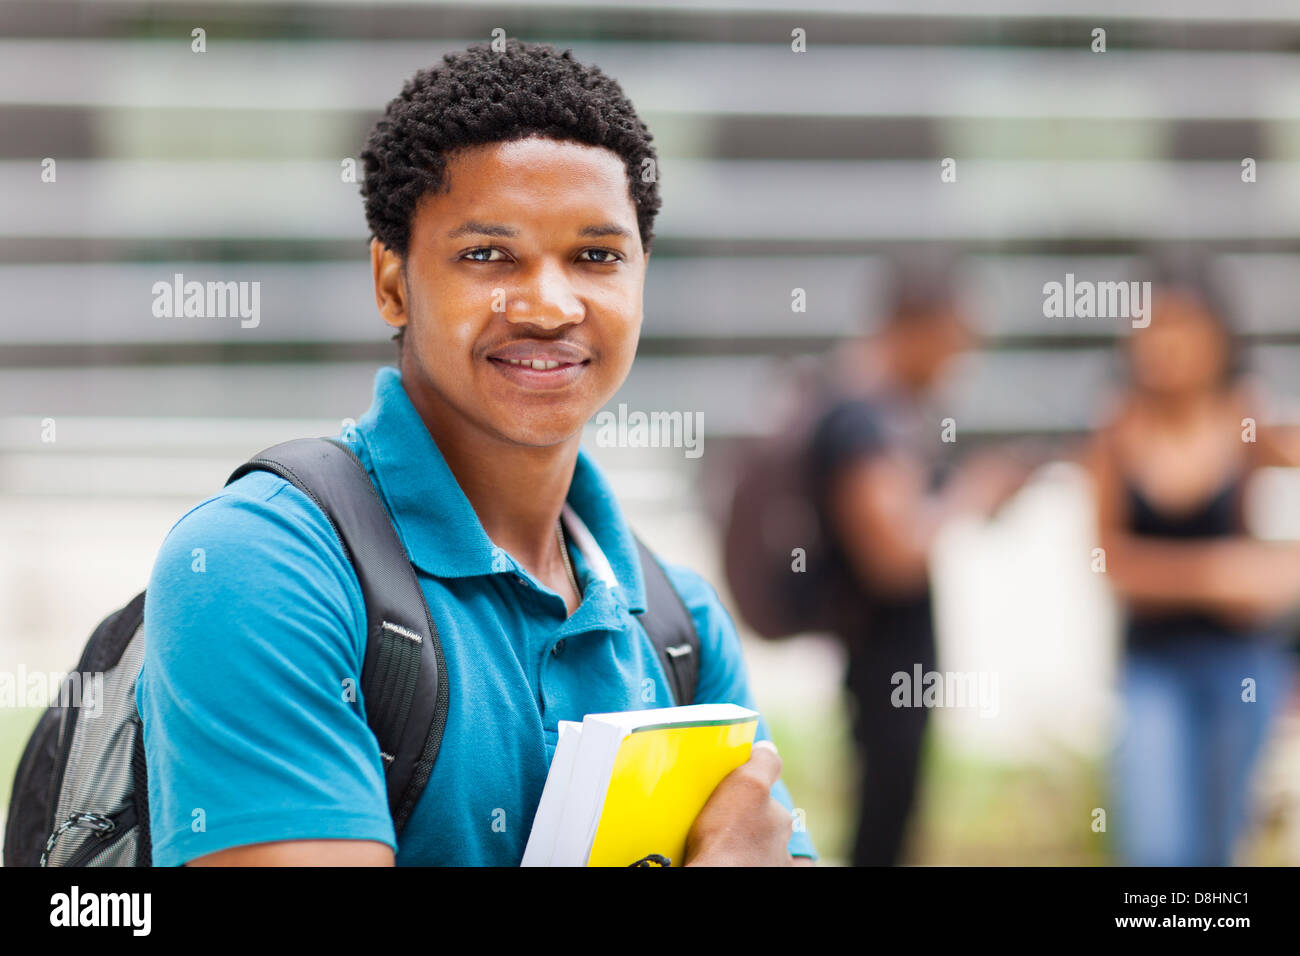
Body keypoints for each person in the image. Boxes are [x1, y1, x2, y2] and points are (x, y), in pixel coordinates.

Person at [135, 39, 816, 866]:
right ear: (391, 281)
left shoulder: (682, 626)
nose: (550, 304)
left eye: (596, 256)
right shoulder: (263, 565)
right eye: (487, 254)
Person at [807, 253, 1029, 865]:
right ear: (918, 328)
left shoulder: (890, 410)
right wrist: (972, 492)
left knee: (894, 814)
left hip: (893, 656)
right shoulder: (862, 417)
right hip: (883, 659)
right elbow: (894, 556)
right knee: (883, 820)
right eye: (956, 342)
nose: (961, 361)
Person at [1084, 254, 1300, 866]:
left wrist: (1281, 570)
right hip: (1153, 666)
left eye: (1182, 326)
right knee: (1157, 848)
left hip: (1241, 664)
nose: (1167, 344)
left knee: (1216, 848)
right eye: (1154, 326)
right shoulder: (1117, 427)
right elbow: (1106, 559)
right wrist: (1217, 575)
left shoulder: (1246, 419)